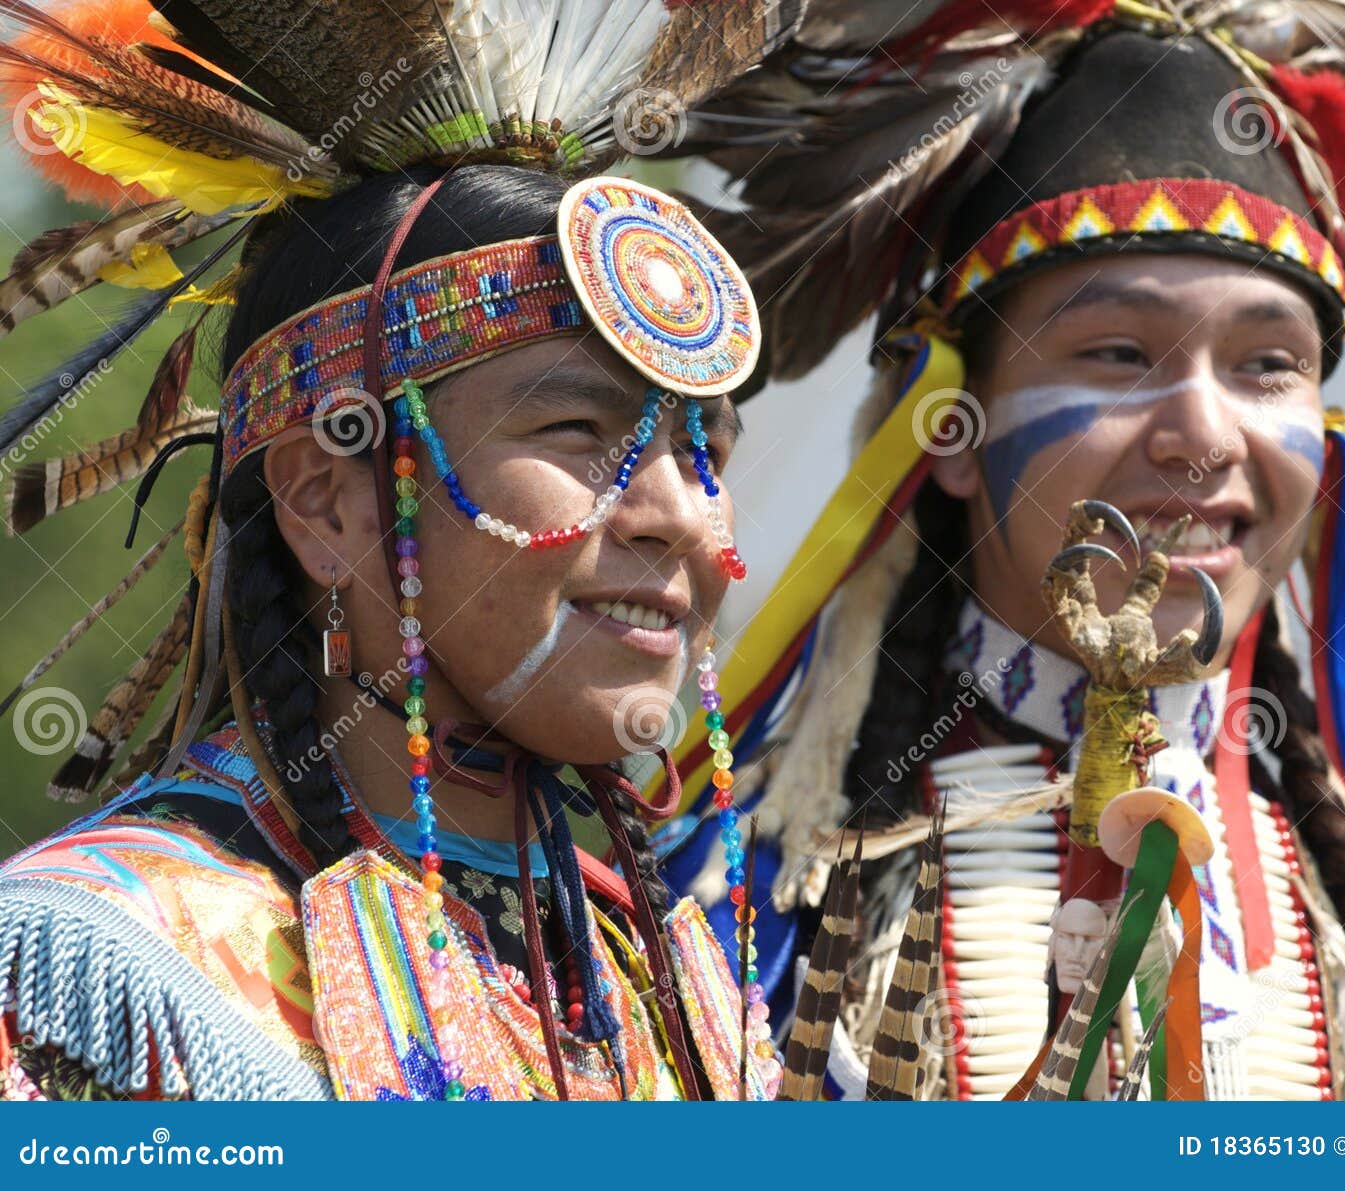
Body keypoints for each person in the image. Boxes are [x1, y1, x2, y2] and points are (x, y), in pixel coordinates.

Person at [660, 2, 1345, 1100]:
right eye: (1115, 353)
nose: (1202, 436)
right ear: (953, 433)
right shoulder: (724, 941)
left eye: (1266, 366)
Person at [0, 0, 791, 1101]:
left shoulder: (678, 989)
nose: (685, 518)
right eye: (578, 431)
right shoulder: (104, 979)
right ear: (326, 504)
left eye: (705, 450)